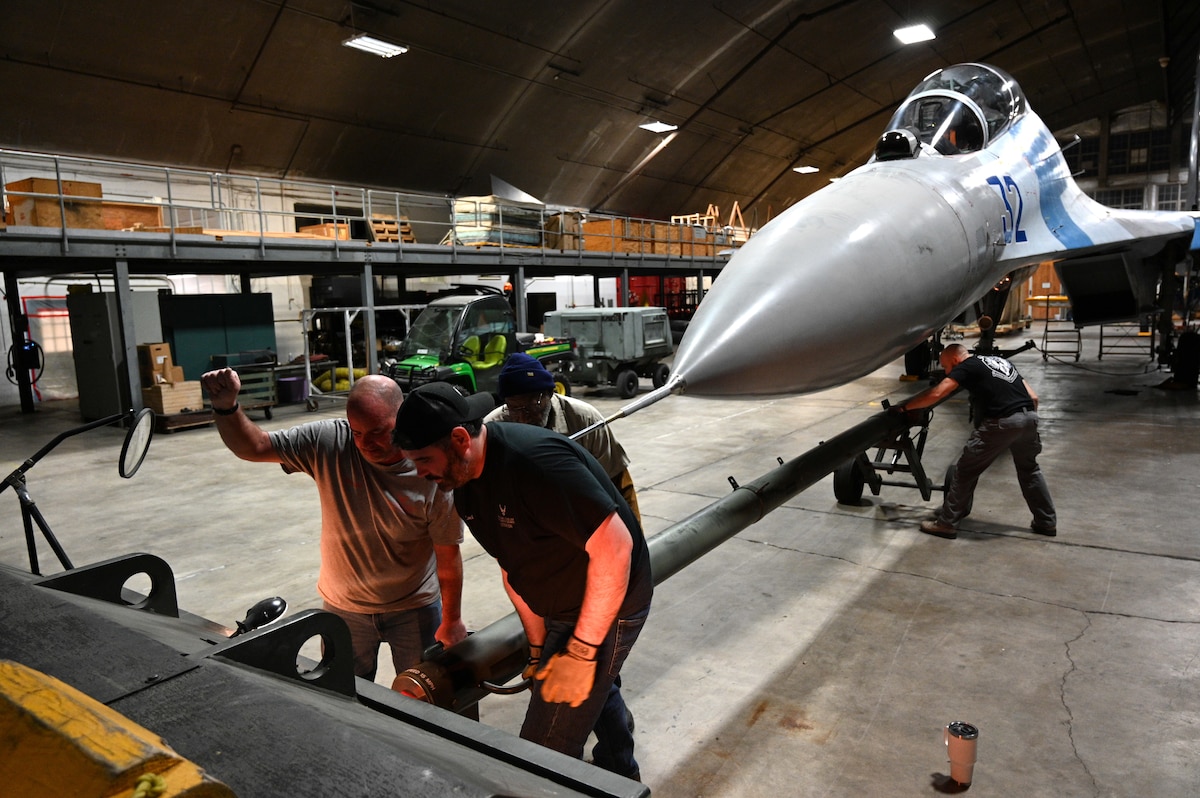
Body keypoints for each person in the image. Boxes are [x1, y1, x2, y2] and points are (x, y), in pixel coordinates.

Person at [393, 382, 652, 781]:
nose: (420, 472)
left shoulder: (535, 463)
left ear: (459, 439)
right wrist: (536, 649)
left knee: (541, 749)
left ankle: (615, 782)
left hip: (610, 602)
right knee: (582, 687)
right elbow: (514, 567)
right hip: (561, 601)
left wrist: (582, 653)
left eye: (424, 459)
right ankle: (621, 772)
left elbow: (616, 548)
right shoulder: (464, 487)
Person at [200, 369, 467, 680]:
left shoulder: (429, 468)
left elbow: (448, 558)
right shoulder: (331, 442)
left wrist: (452, 619)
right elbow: (254, 447)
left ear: (401, 417)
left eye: (379, 431)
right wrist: (226, 407)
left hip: (413, 608)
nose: (366, 443)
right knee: (342, 703)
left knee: (425, 699)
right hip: (344, 609)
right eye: (357, 432)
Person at [898, 343, 1057, 539]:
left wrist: (906, 407)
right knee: (1030, 470)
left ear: (955, 360)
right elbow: (1034, 397)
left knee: (965, 471)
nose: (946, 372)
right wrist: (1022, 423)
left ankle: (946, 524)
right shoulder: (1000, 362)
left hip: (1002, 421)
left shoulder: (967, 365)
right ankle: (1046, 522)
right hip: (1029, 418)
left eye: (945, 366)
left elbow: (938, 392)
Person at [484, 353, 641, 521]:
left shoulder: (586, 421)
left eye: (533, 406)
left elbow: (620, 483)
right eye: (515, 408)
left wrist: (636, 538)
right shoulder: (493, 429)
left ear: (550, 393)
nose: (524, 418)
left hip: (581, 514)